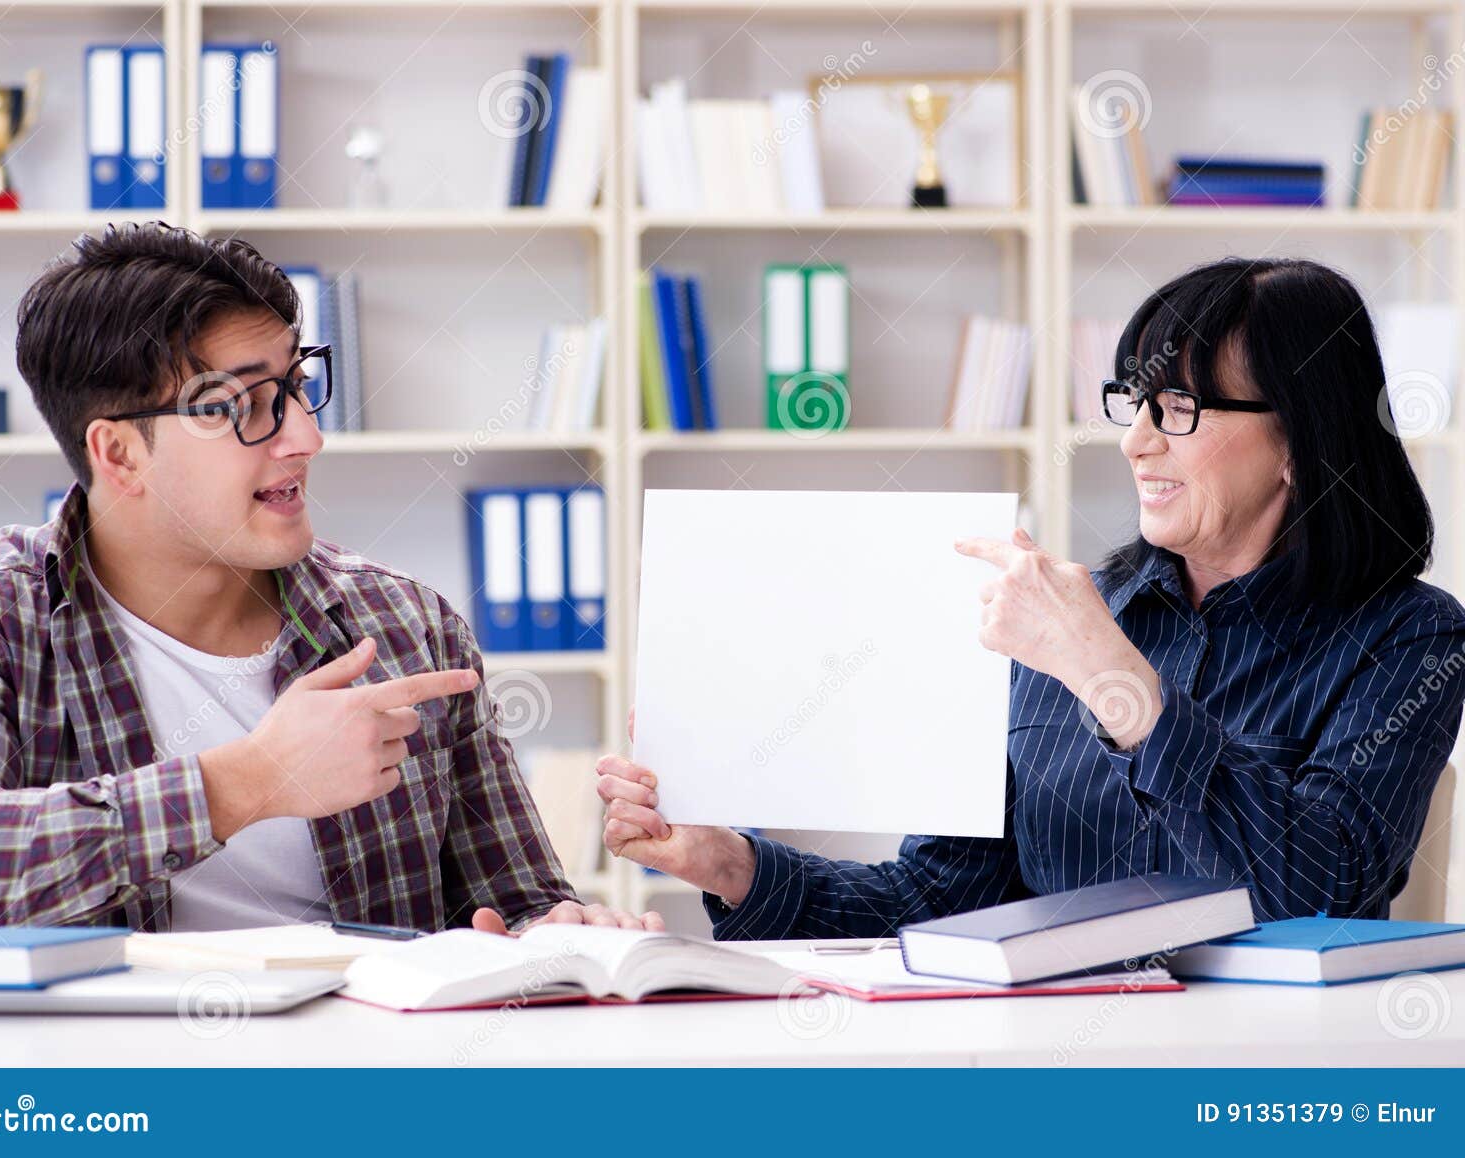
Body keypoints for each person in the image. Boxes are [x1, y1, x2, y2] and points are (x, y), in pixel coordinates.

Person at [597, 256, 1465, 938]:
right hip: (1046, 1056)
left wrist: (1118, 684)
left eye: (1179, 408)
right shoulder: (1066, 621)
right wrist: (728, 864)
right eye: (1133, 401)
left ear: (1300, 440)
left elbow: (1314, 890)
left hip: (1261, 1065)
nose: (1136, 442)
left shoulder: (1410, 638)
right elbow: (941, 904)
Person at [0, 222, 660, 935]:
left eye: (297, 386)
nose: (305, 437)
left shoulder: (408, 624)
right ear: (118, 454)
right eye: (240, 405)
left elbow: (516, 902)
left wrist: (556, 937)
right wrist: (248, 781)